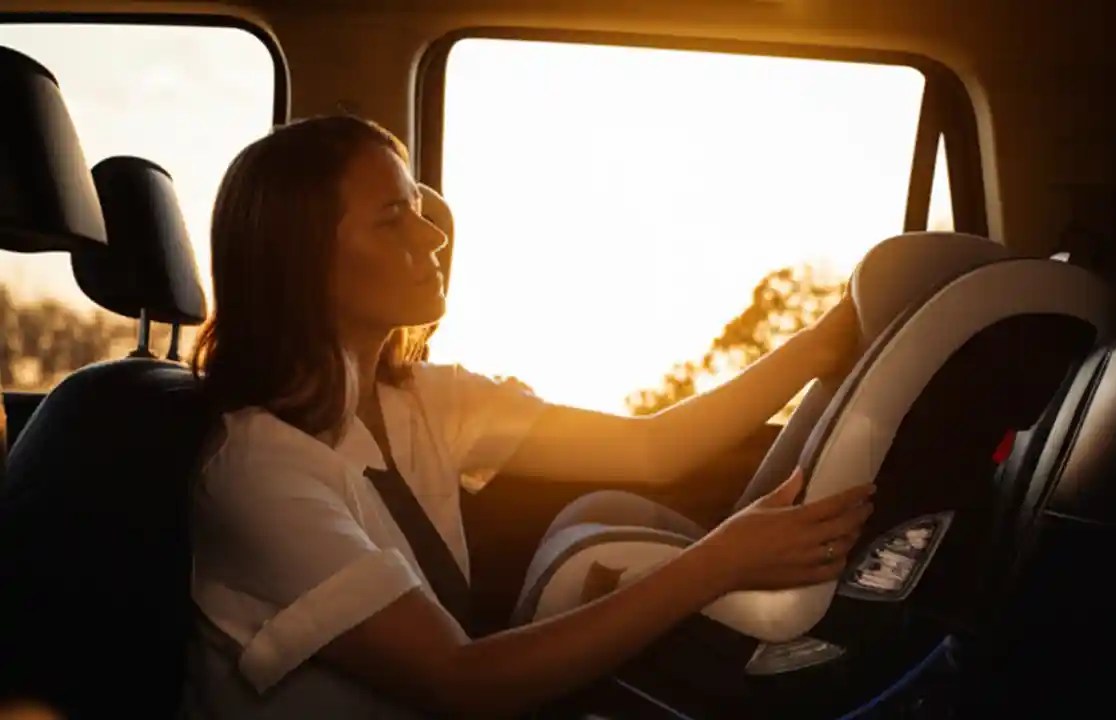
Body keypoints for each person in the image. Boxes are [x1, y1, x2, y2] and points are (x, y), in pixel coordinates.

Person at [182, 114, 875, 719]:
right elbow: (461, 683)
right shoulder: (257, 472)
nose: (432, 235)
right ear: (304, 259)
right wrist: (717, 563)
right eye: (392, 217)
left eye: (417, 206)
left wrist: (813, 349)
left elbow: (650, 450)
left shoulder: (424, 398)